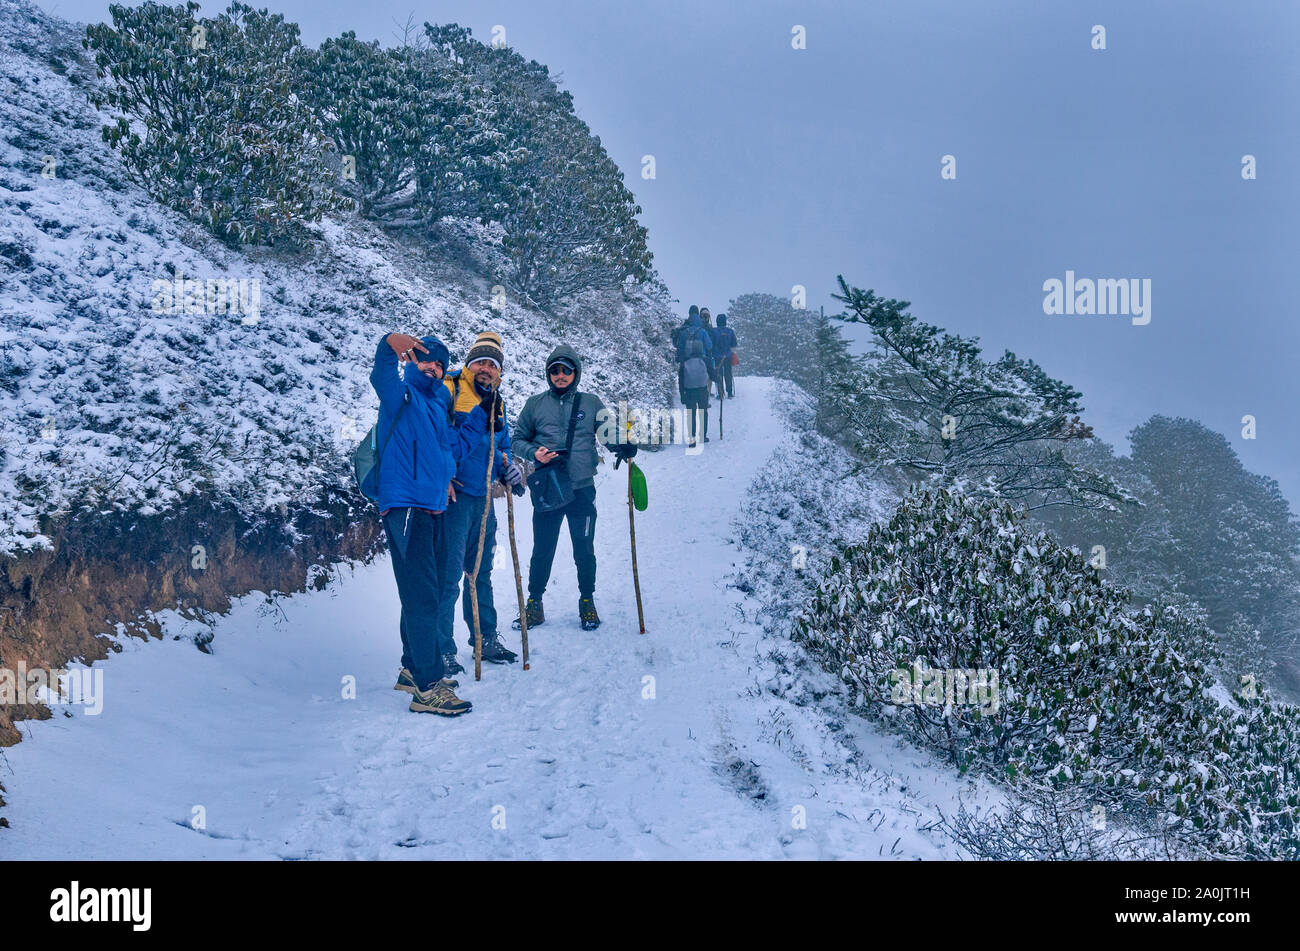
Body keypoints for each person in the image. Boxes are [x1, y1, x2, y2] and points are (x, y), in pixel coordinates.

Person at [370, 331, 494, 716]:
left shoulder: (438, 401)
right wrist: (390, 341)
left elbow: (450, 451)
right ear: (412, 361)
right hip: (405, 506)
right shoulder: (399, 396)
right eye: (426, 360)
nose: (434, 367)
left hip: (434, 506)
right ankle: (427, 686)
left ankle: (412, 667)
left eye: (440, 363)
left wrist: (478, 416)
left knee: (433, 586)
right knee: (422, 594)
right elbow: (381, 373)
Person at [511, 346, 637, 631]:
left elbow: (609, 434)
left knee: (584, 548)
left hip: (581, 489)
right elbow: (517, 439)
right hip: (547, 489)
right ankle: (534, 603)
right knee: (542, 548)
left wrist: (624, 445)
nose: (560, 375)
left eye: (566, 370)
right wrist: (534, 454)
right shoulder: (535, 404)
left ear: (575, 372)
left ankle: (587, 601)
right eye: (555, 370)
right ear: (548, 374)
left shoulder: (591, 403)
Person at [437, 331, 526, 674]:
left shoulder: (499, 402)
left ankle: (485, 638)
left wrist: (510, 469)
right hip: (455, 499)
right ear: (469, 365)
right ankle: (442, 648)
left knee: (481, 574)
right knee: (449, 577)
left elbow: (501, 445)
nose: (486, 369)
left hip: (484, 501)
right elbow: (443, 442)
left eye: (492, 364)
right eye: (480, 363)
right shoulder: (451, 390)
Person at [679, 337, 712, 444]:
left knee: (691, 414)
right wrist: (718, 378)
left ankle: (692, 438)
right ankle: (703, 436)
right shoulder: (706, 360)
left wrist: (682, 395)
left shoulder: (685, 361)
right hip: (702, 390)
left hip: (689, 391)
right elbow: (712, 374)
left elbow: (681, 379)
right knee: (703, 412)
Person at [711, 313, 737, 399]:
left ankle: (720, 393)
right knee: (728, 374)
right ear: (725, 321)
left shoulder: (714, 331)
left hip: (717, 356)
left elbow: (711, 343)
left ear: (717, 321)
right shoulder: (730, 331)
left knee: (719, 374)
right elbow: (734, 344)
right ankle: (729, 392)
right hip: (727, 356)